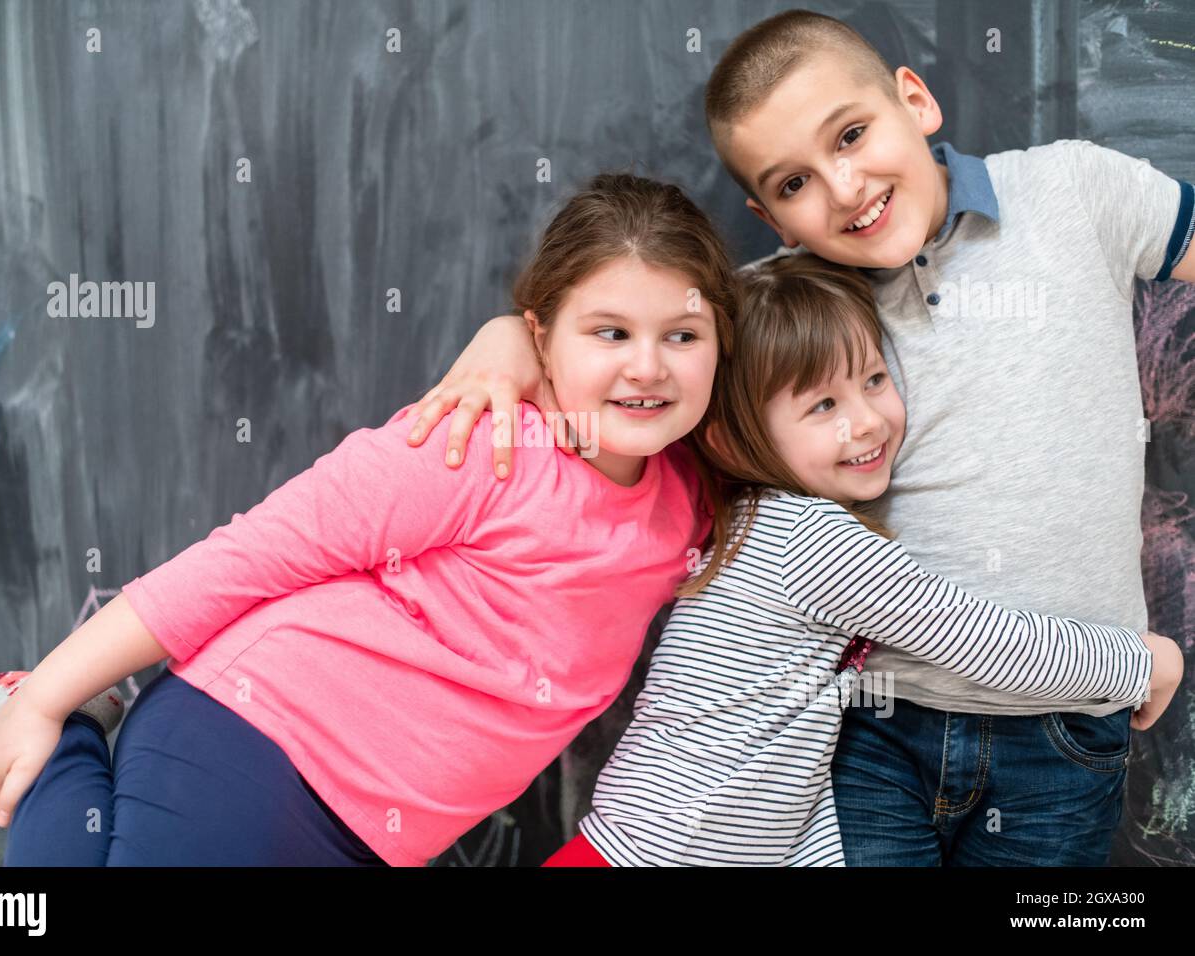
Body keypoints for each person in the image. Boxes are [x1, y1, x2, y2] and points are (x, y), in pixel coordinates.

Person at [400, 10, 1193, 865]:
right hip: (875, 728)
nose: (844, 189)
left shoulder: (1074, 189)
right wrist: (509, 340)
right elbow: (623, 343)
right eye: (793, 183)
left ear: (915, 101)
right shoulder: (770, 317)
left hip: (1066, 726)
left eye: (851, 135)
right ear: (770, 217)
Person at [0, 171, 736, 866]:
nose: (647, 366)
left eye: (682, 334)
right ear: (541, 337)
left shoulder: (692, 499)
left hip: (376, 840)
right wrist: (45, 698)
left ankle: (66, 725)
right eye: (610, 332)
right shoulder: (477, 444)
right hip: (253, 741)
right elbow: (246, 556)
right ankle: (51, 716)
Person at [540, 253, 1180, 866]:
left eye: (874, 379)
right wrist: (1138, 664)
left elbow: (790, 764)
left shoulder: (746, 521)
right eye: (823, 406)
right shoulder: (808, 537)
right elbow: (980, 639)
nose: (867, 421)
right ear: (733, 442)